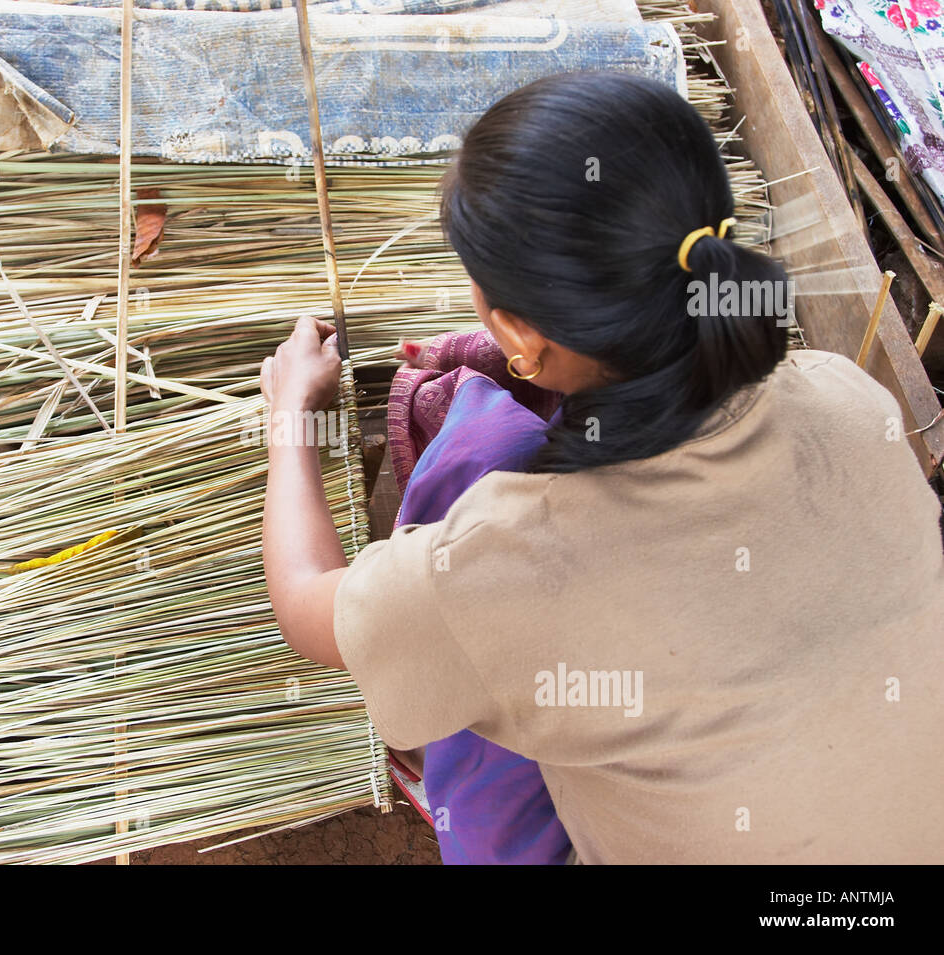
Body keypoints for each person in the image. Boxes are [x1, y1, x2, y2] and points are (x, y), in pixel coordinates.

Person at [260, 71, 944, 864]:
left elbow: (308, 607)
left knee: (481, 454)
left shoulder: (515, 566)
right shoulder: (846, 396)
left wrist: (291, 417)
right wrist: (539, 363)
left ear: (521, 332)